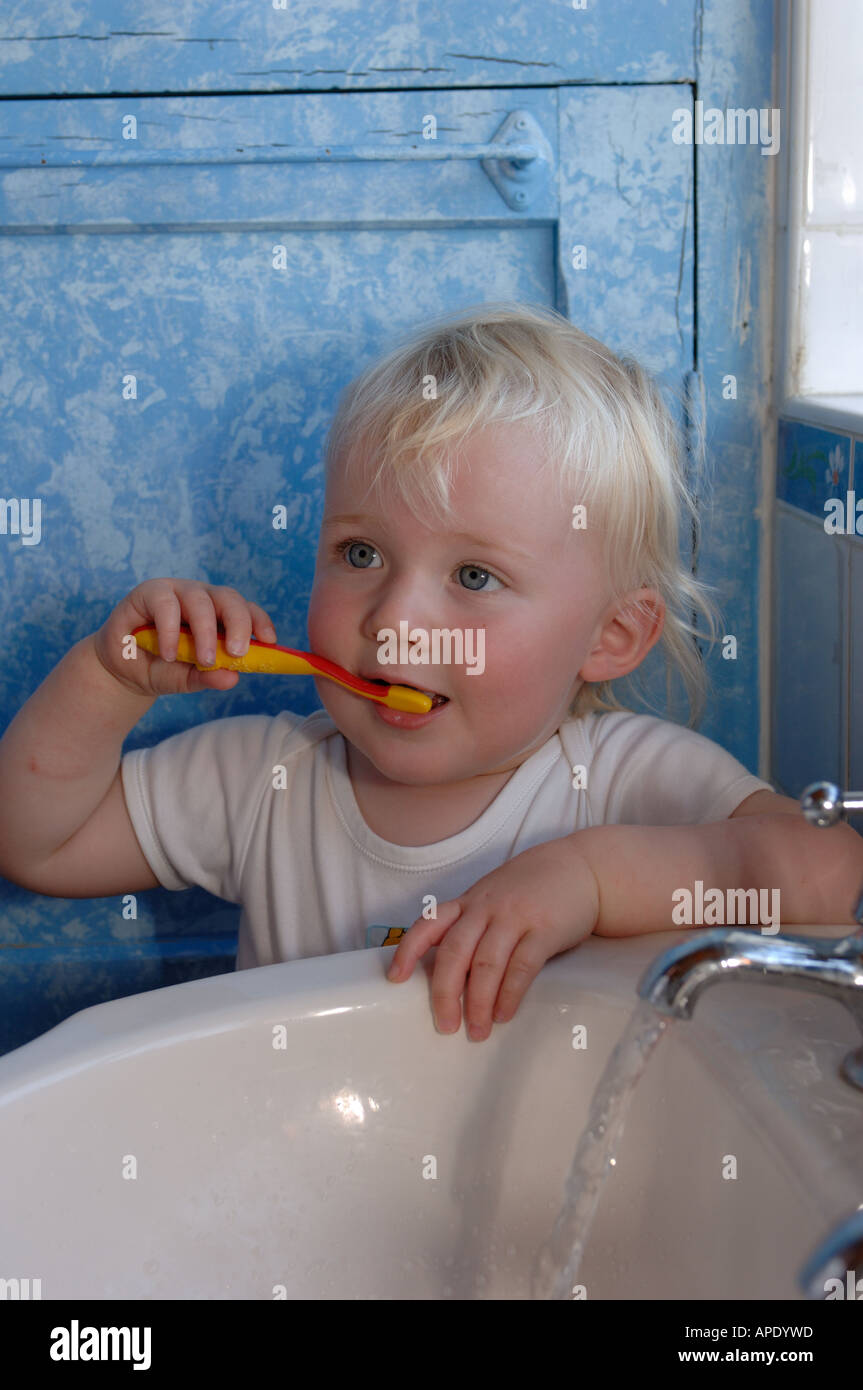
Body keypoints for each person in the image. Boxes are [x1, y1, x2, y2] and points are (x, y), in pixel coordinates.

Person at [1, 303, 859, 1043]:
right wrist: (109, 680)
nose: (394, 621)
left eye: (474, 577)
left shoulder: (628, 780)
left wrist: (590, 880)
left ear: (610, 636)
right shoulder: (264, 780)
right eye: (360, 553)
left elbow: (833, 875)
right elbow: (39, 843)